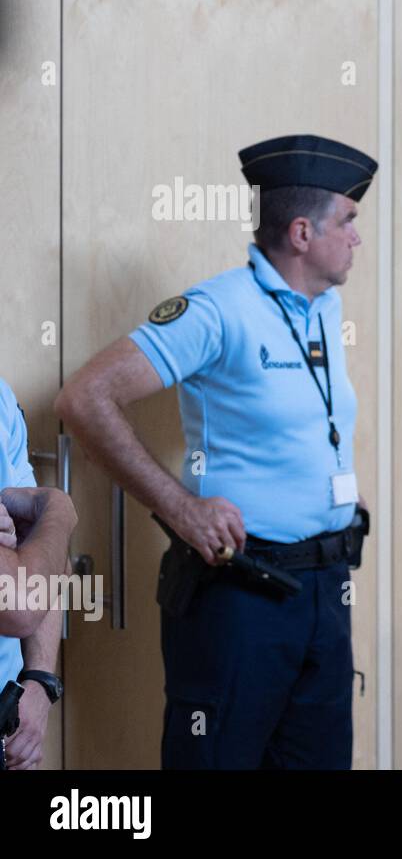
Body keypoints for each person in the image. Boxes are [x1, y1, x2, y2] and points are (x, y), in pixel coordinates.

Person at [55, 134, 376, 769]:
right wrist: (182, 508)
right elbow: (84, 399)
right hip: (242, 595)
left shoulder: (323, 307)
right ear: (303, 233)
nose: (356, 237)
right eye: (348, 220)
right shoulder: (217, 309)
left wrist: (334, 492)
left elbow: (295, 423)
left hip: (324, 591)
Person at [0, 378, 75, 770]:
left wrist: (40, 681)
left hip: (7, 721)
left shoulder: (1, 396)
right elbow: (17, 605)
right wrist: (60, 507)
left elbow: (45, 552)